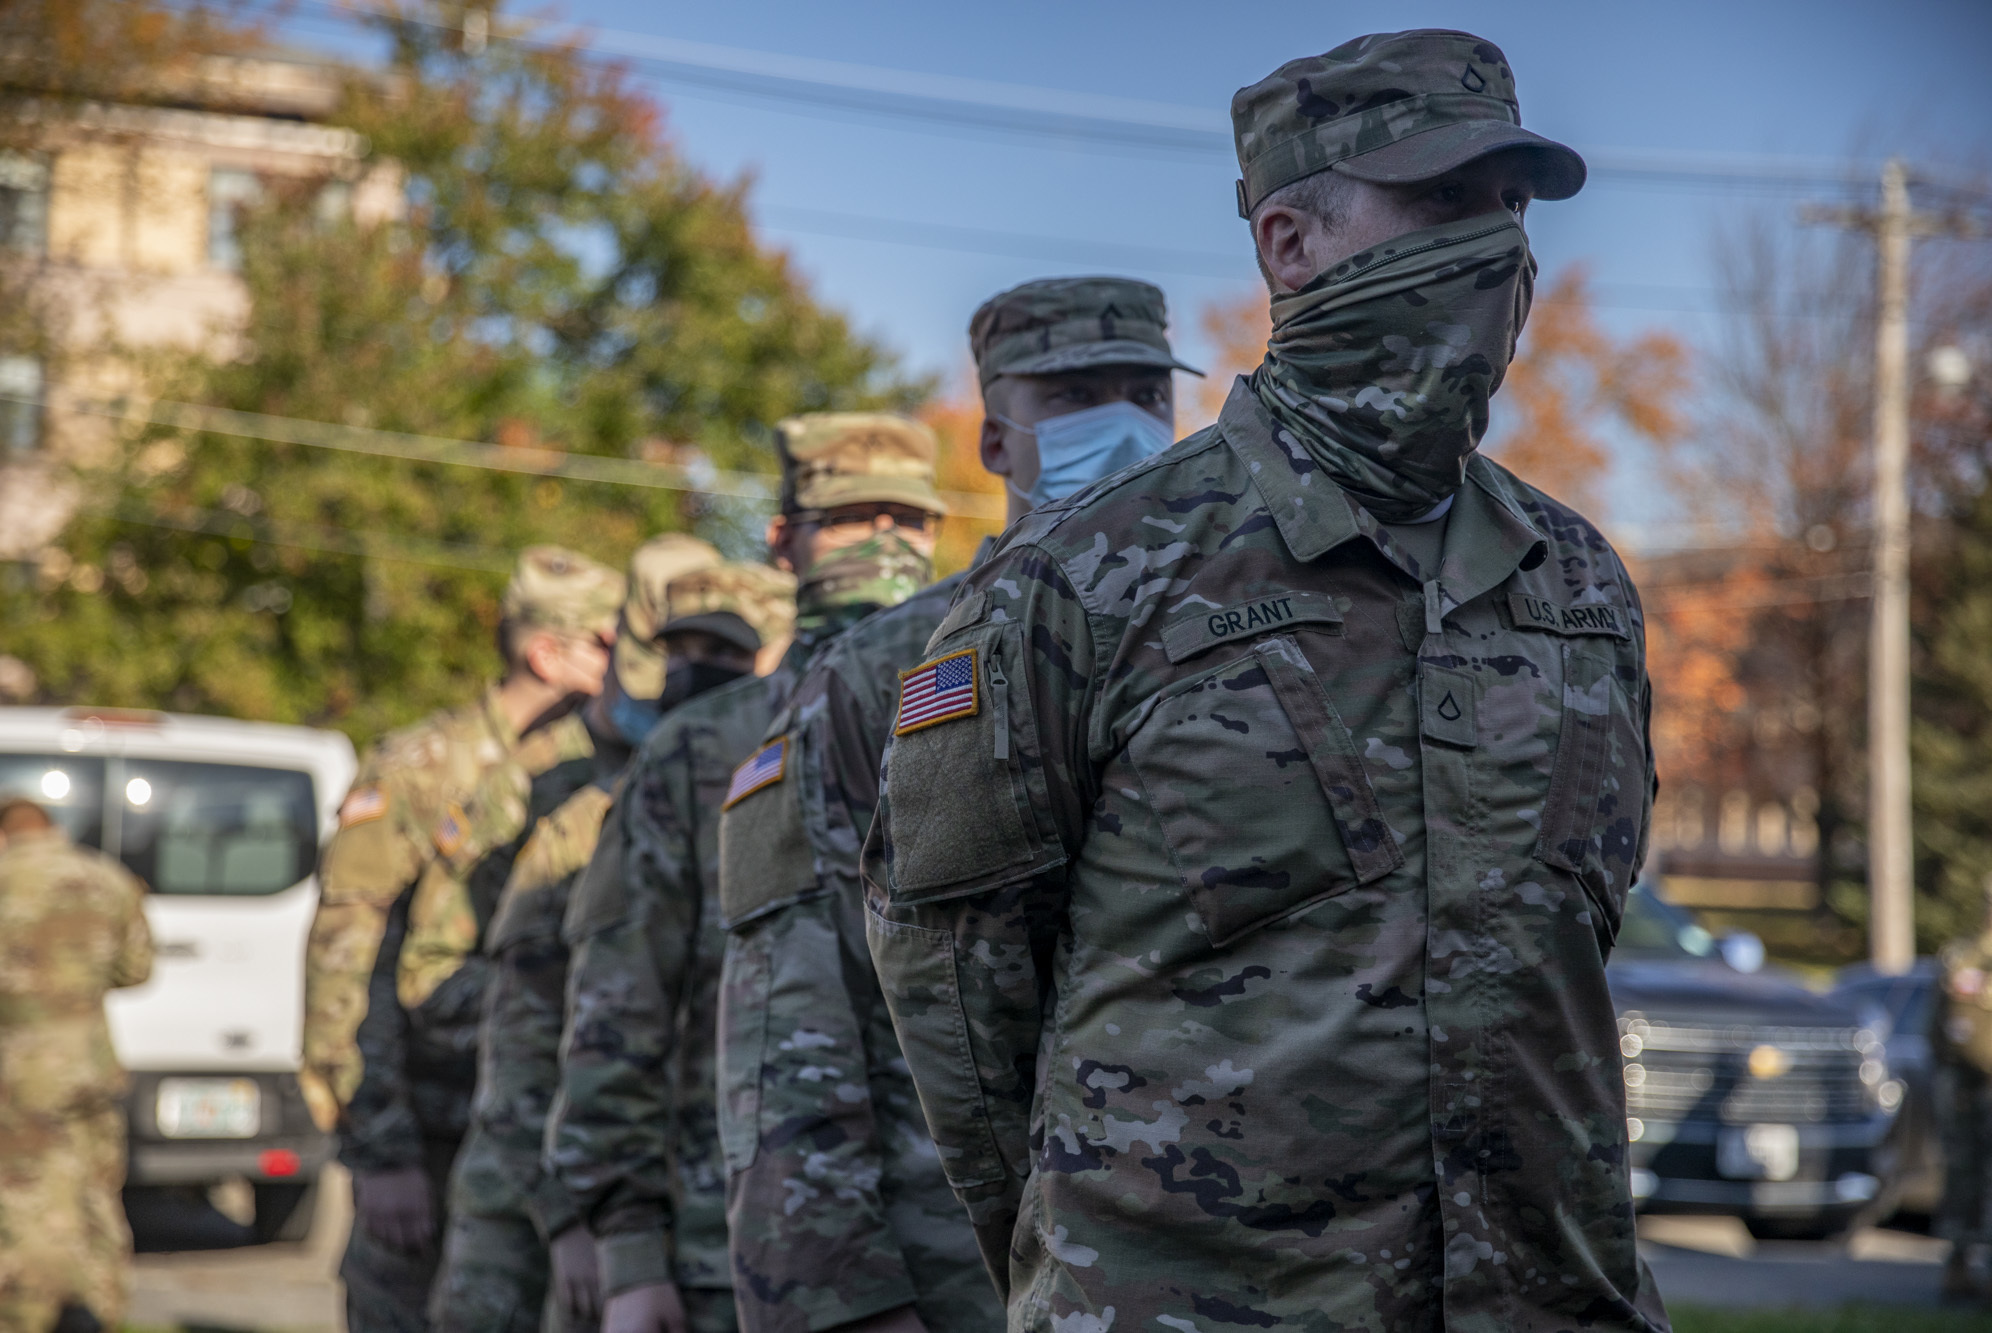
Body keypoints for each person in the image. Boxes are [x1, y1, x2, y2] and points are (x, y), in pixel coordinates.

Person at [866, 29, 1668, 1331]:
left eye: (1511, 207)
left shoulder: (1577, 584)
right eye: (1443, 203)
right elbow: (952, 986)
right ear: (1291, 246)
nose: (1497, 250)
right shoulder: (1081, 583)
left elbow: (1565, 948)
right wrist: (1101, 1242)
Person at [714, 276, 1196, 1333]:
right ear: (991, 439)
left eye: (1141, 391)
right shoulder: (884, 669)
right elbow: (788, 1015)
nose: (1117, 421)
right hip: (951, 1280)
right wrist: (832, 1303)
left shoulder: (1236, 642)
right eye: (1072, 393)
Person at [547, 413, 946, 1333]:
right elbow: (620, 997)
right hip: (737, 1248)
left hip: (974, 1251)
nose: (885, 545)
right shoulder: (703, 746)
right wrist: (627, 1246)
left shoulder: (996, 699)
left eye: (908, 520)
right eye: (850, 520)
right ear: (784, 545)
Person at [306, 544, 625, 1333]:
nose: (624, 665)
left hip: (540, 1137)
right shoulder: (420, 764)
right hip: (431, 1125)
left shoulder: (600, 770)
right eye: (605, 644)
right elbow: (349, 958)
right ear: (545, 652)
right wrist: (383, 1151)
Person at [431, 535, 725, 1333]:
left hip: (673, 1209)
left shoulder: (739, 795)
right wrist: (569, 1217)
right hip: (540, 1198)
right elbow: (521, 1044)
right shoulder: (576, 823)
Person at [0, 793, 154, 1332]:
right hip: (92, 1068)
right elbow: (136, 970)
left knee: (23, 1205)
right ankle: (100, 1307)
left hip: (15, 1074)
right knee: (94, 1196)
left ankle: (26, 1315)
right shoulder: (107, 878)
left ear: (0, 835)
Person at [1937, 882, 1992, 1301]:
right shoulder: (1969, 955)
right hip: (1968, 1085)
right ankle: (1959, 1266)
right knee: (1964, 1175)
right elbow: (1952, 1022)